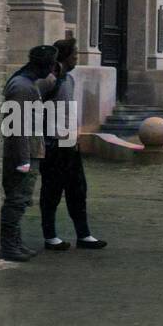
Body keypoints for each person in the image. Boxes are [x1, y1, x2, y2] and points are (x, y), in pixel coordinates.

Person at [40, 38, 106, 251]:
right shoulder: (50, 80)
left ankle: (84, 235)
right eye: (75, 53)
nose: (77, 57)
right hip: (53, 144)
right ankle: (50, 236)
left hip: (69, 144)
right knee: (51, 191)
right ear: (65, 56)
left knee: (77, 190)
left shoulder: (69, 79)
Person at [1, 44, 58, 262]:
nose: (54, 69)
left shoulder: (28, 83)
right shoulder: (22, 86)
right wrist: (23, 159)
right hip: (23, 154)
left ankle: (15, 242)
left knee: (22, 200)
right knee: (17, 200)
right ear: (45, 65)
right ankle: (8, 245)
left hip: (31, 151)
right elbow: (18, 126)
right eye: (52, 64)